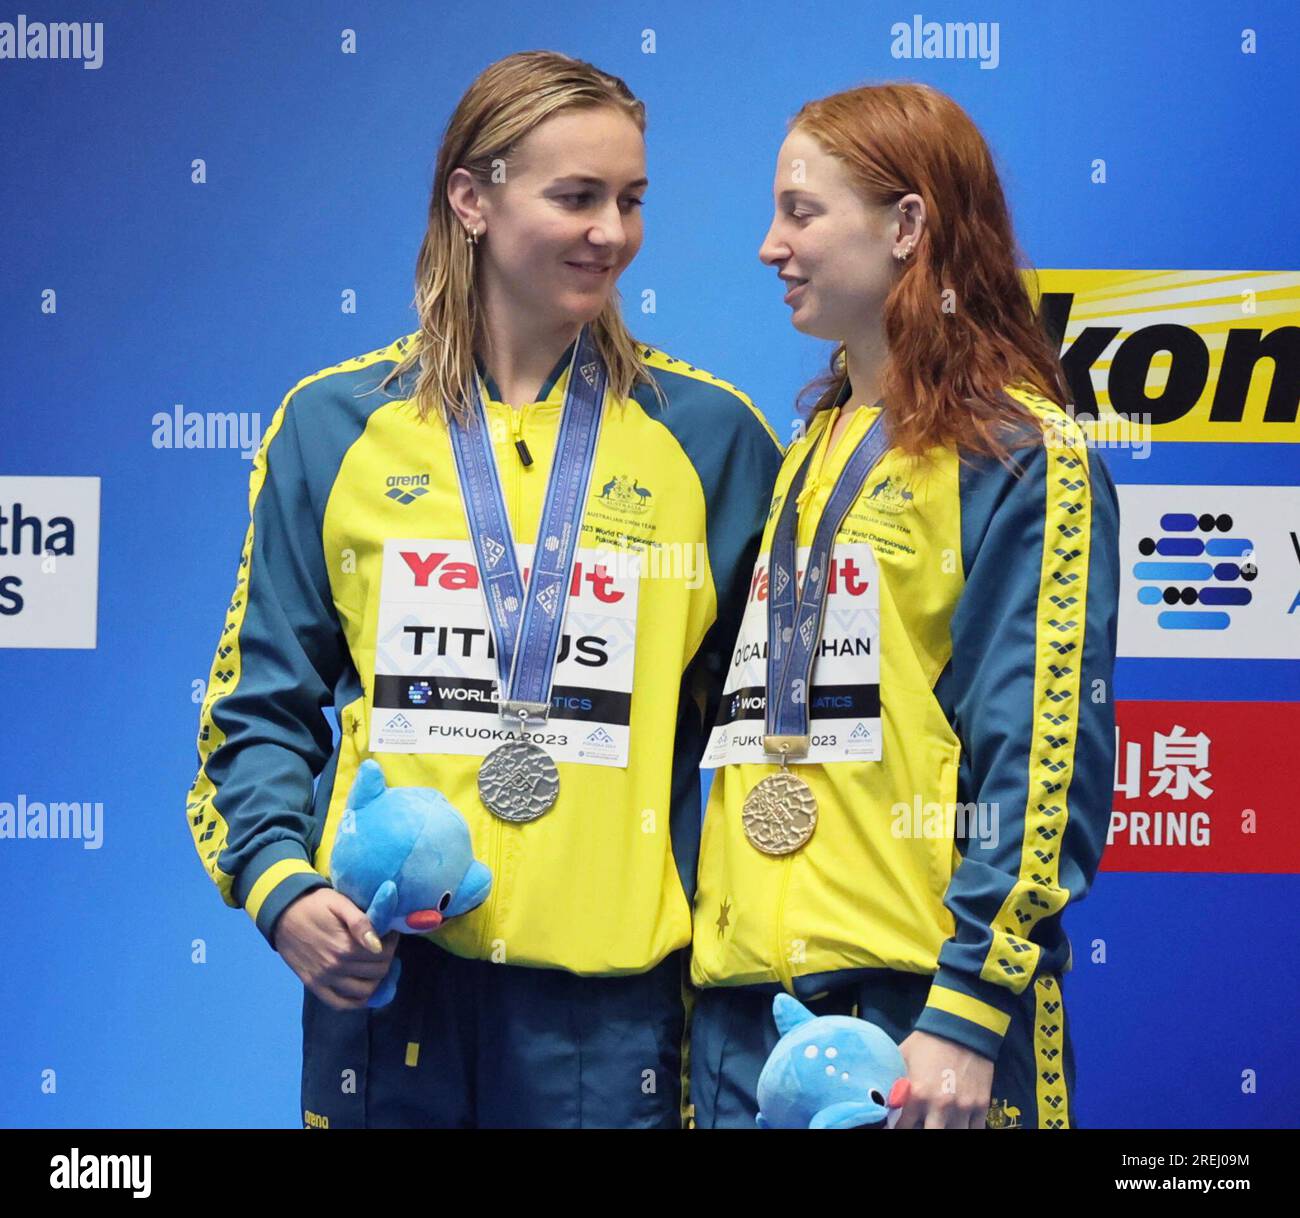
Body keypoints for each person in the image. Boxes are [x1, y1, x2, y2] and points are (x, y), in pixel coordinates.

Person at [184, 50, 782, 1129]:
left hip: (610, 1017)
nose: (611, 232)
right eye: (576, 196)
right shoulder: (334, 426)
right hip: (386, 985)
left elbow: (767, 734)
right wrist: (282, 886)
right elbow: (259, 704)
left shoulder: (710, 440)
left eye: (631, 199)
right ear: (472, 199)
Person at [689, 82, 1119, 1129]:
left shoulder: (1018, 456)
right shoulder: (813, 447)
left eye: (800, 212)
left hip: (918, 1016)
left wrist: (969, 1006)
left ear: (907, 225)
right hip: (745, 1015)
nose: (770, 246)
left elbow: (1041, 759)